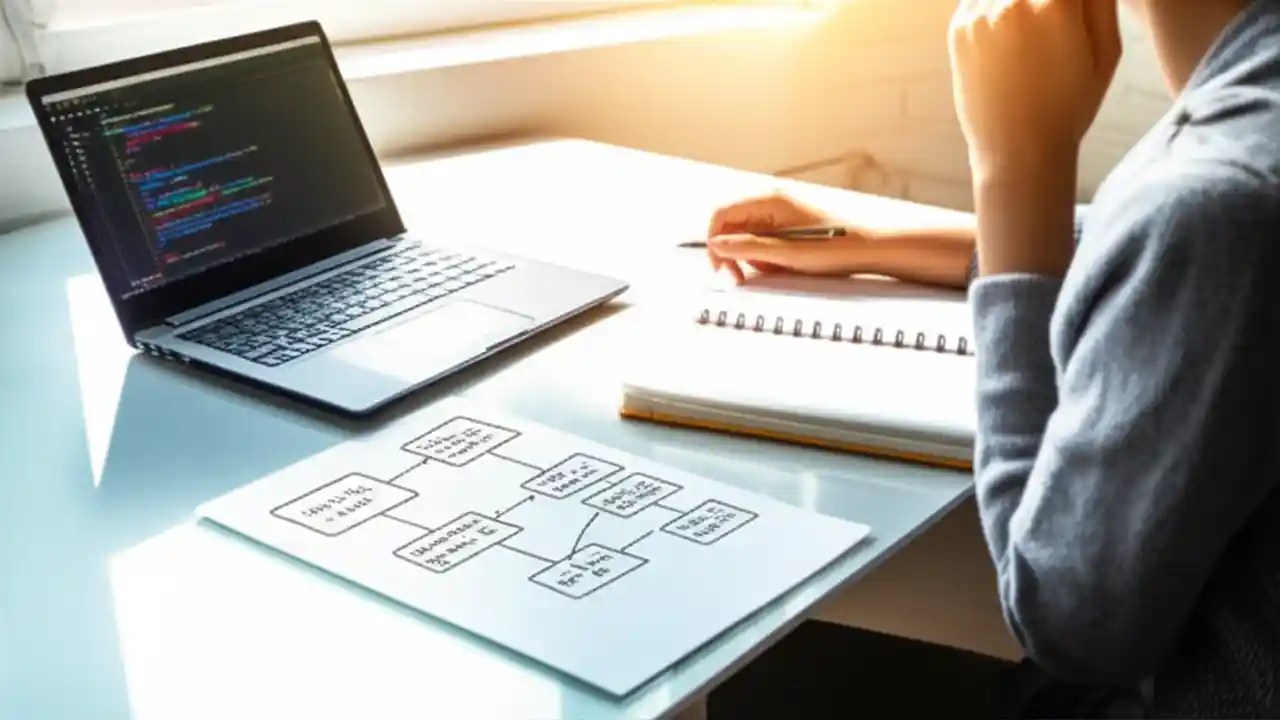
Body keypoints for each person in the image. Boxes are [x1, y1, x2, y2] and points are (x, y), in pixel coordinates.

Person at [706, 0, 1280, 716]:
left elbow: (1068, 622)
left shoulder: (1223, 198)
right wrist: (880, 238)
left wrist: (1016, 167)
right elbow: (1155, 250)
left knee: (758, 680)